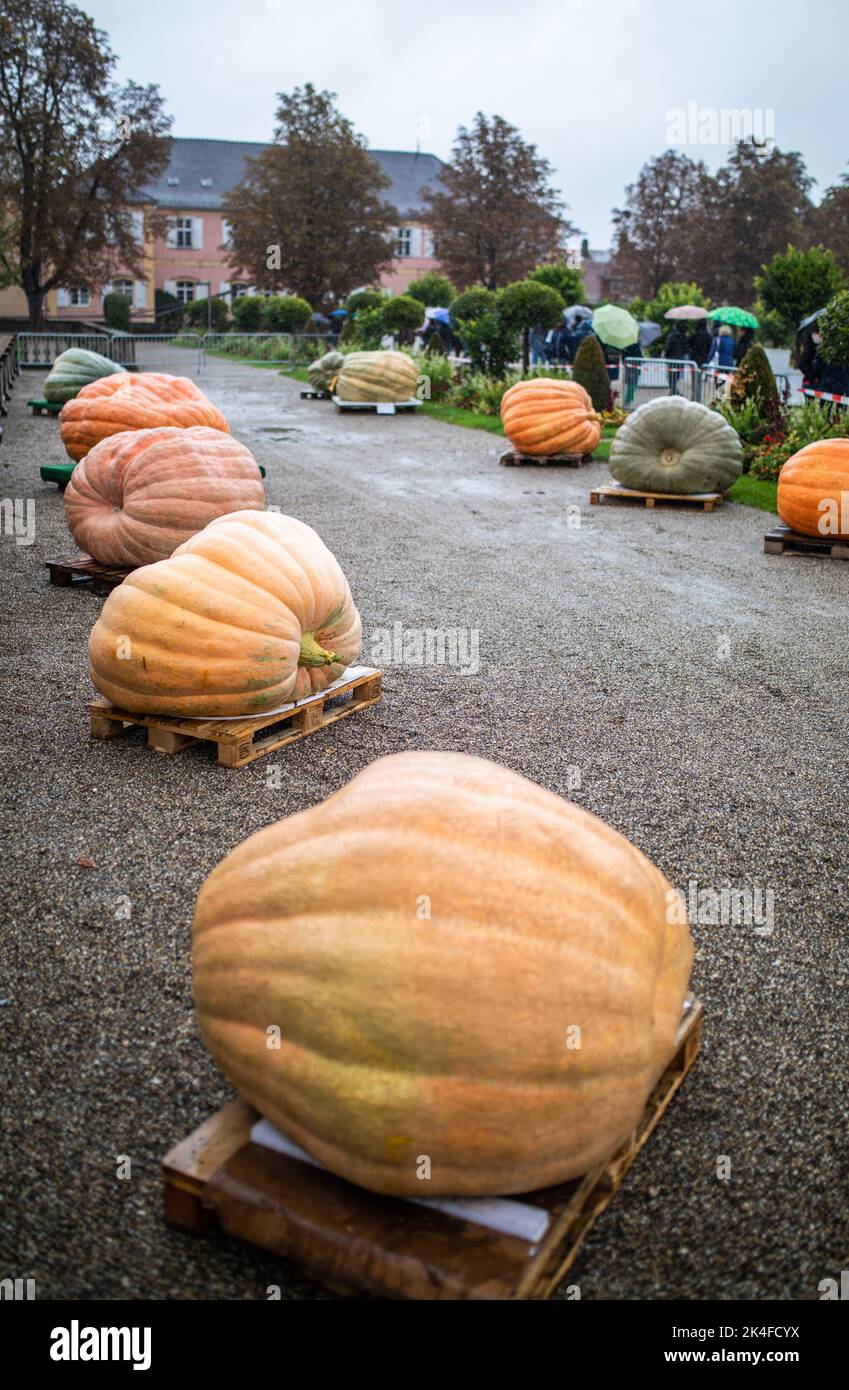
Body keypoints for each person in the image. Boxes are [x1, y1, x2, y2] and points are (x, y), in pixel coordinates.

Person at [665, 323, 690, 395]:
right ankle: (674, 392)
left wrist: (666, 355)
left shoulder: (671, 336)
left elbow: (668, 348)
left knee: (670, 377)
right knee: (676, 377)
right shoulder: (684, 337)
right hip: (680, 360)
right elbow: (686, 349)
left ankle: (674, 392)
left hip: (672, 359)